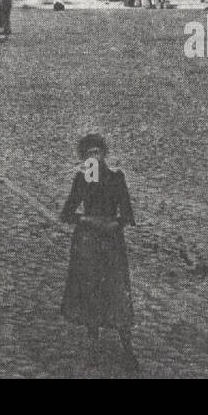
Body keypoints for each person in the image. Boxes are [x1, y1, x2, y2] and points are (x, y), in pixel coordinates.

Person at [59, 133, 140, 373]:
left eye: (97, 153)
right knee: (91, 293)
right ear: (84, 158)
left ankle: (128, 349)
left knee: (117, 293)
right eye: (88, 155)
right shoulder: (80, 180)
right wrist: (88, 220)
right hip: (87, 244)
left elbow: (127, 215)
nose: (93, 158)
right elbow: (67, 213)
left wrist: (111, 224)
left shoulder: (116, 178)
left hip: (111, 244)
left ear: (104, 155)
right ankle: (93, 345)